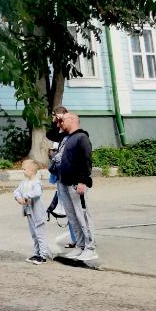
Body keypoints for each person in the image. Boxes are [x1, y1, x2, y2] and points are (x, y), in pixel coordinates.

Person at [54, 109, 97, 264]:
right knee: (72, 217)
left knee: (82, 215)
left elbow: (86, 161)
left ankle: (90, 248)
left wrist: (82, 181)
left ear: (72, 120)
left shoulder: (82, 138)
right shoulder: (66, 137)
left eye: (64, 120)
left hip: (75, 183)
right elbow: (51, 134)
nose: (61, 123)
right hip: (63, 182)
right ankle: (80, 245)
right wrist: (57, 122)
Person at [13, 155, 50, 262]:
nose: (23, 171)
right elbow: (16, 191)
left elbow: (37, 192)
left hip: (37, 213)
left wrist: (26, 196)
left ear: (32, 170)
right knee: (34, 234)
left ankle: (43, 256)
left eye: (24, 169)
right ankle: (37, 253)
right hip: (29, 212)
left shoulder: (37, 182)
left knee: (40, 234)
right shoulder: (24, 183)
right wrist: (18, 197)